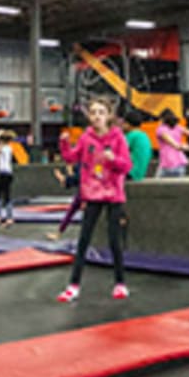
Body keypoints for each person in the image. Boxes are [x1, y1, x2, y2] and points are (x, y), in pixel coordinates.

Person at [56, 96, 133, 303]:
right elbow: (71, 158)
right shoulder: (85, 137)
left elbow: (127, 166)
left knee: (114, 239)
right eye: (93, 113)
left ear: (108, 116)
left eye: (101, 112)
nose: (97, 116)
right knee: (83, 240)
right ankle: (73, 286)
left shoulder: (118, 138)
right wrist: (64, 144)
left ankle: (120, 283)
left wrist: (113, 159)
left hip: (113, 194)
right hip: (92, 192)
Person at [154, 108, 189, 177]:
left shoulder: (161, 129)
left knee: (157, 185)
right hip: (180, 163)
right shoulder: (177, 127)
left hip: (167, 163)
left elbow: (172, 143)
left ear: (162, 119)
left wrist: (181, 146)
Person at [123, 111, 154, 181]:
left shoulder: (131, 135)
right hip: (141, 173)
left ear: (128, 124)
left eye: (123, 123)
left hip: (131, 173)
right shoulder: (144, 135)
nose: (122, 126)